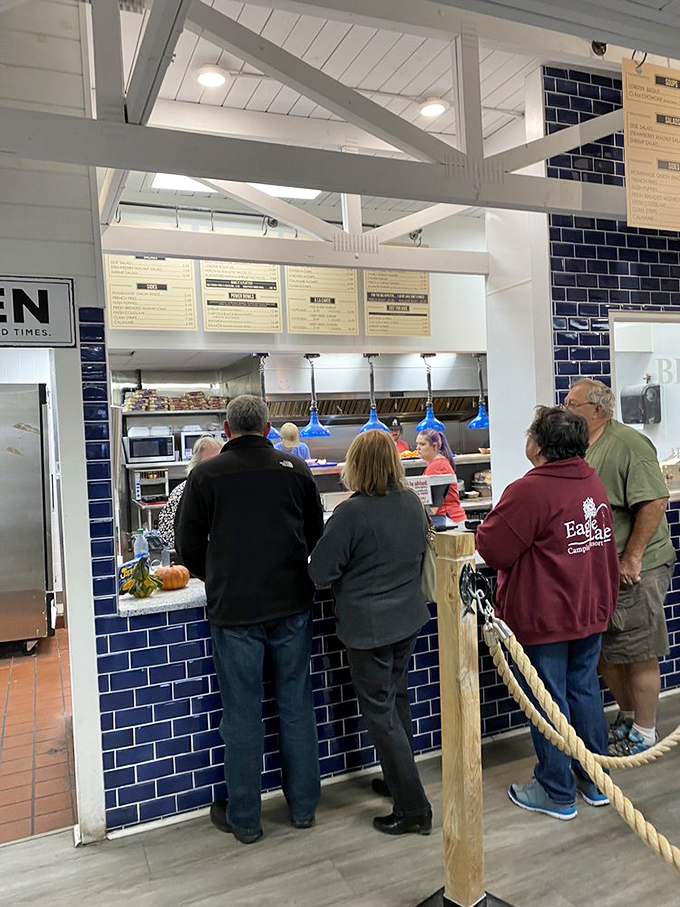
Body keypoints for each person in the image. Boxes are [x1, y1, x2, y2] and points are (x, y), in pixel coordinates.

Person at [175, 395, 324, 845]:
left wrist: (220, 574)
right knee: (296, 706)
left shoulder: (205, 475)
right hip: (291, 605)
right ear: (269, 427)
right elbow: (315, 533)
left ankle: (244, 819)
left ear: (226, 428)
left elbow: (187, 549)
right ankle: (303, 809)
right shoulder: (296, 471)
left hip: (234, 610)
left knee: (241, 714)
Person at [476, 406, 619, 820]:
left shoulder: (531, 489)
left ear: (537, 444)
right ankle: (595, 781)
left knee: (547, 700)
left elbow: (492, 548)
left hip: (546, 617)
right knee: (584, 691)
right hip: (589, 608)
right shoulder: (590, 480)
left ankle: (556, 791)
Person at [309, 430, 432, 836]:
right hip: (408, 619)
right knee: (397, 704)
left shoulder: (351, 513)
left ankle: (413, 808)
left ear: (356, 466)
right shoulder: (412, 502)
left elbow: (320, 572)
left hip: (370, 628)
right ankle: (399, 781)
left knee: (381, 715)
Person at [564, 378, 676, 756]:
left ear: (597, 410)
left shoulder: (627, 444)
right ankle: (627, 717)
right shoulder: (583, 447)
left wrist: (633, 556)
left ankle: (645, 733)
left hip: (640, 567)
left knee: (639, 649)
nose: (565, 411)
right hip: (603, 570)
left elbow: (655, 500)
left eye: (571, 404)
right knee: (608, 651)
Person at [157, 434, 222, 550]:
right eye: (210, 463)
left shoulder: (225, 490)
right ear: (196, 466)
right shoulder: (182, 491)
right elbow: (168, 533)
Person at [415, 428, 465, 523]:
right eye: (417, 444)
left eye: (422, 444)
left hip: (450, 522)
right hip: (449, 521)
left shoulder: (437, 466)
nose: (418, 448)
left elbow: (433, 508)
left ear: (434, 446)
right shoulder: (437, 463)